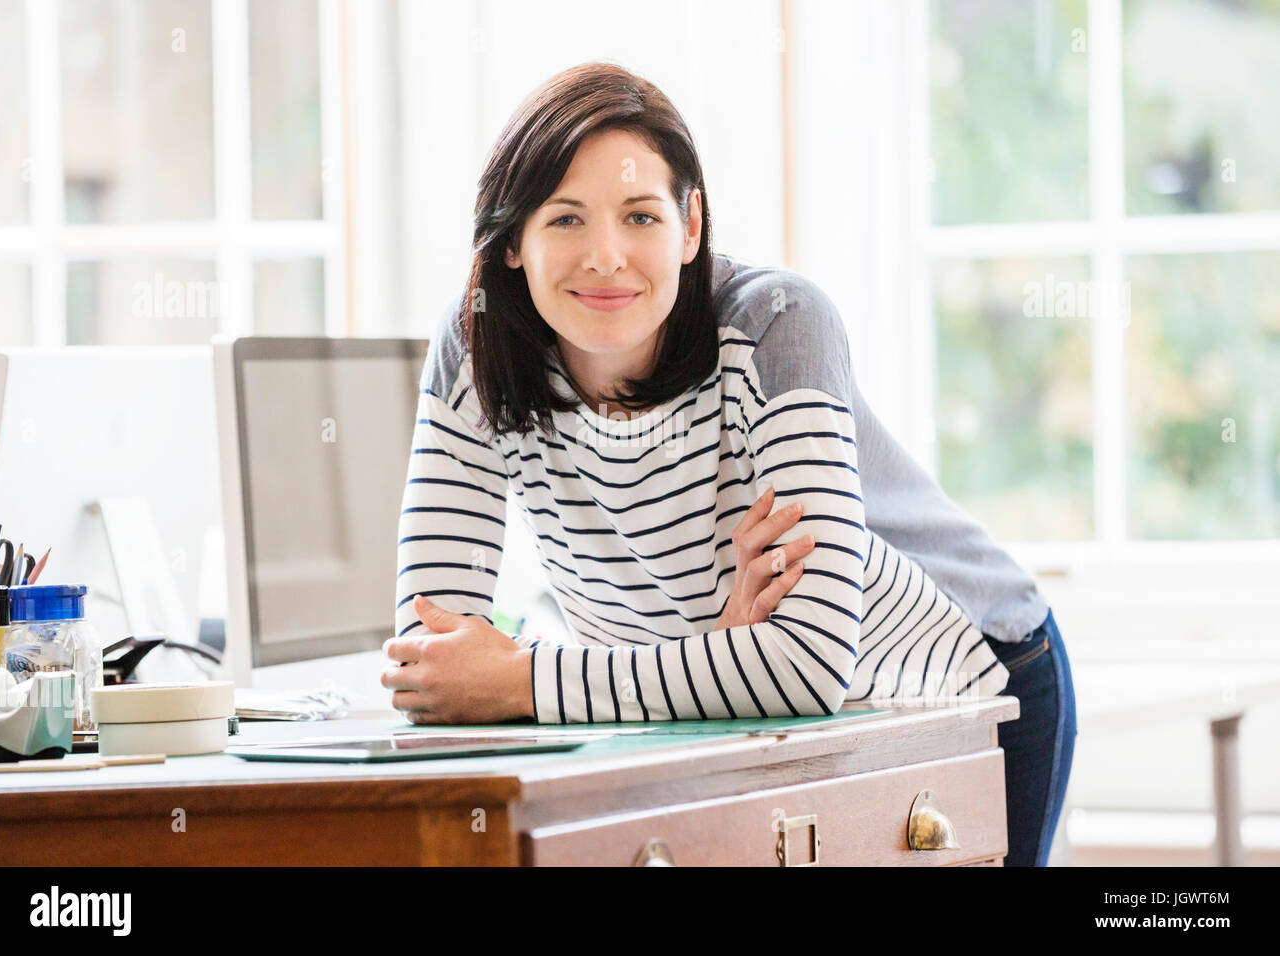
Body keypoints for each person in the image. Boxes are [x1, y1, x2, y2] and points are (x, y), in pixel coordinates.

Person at [385, 62, 1076, 866]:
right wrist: (719, 658)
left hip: (963, 670)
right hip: (732, 715)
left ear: (691, 225)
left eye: (641, 216)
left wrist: (521, 681)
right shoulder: (474, 347)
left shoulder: (779, 325)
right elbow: (429, 668)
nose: (607, 257)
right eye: (566, 219)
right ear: (510, 242)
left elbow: (809, 665)